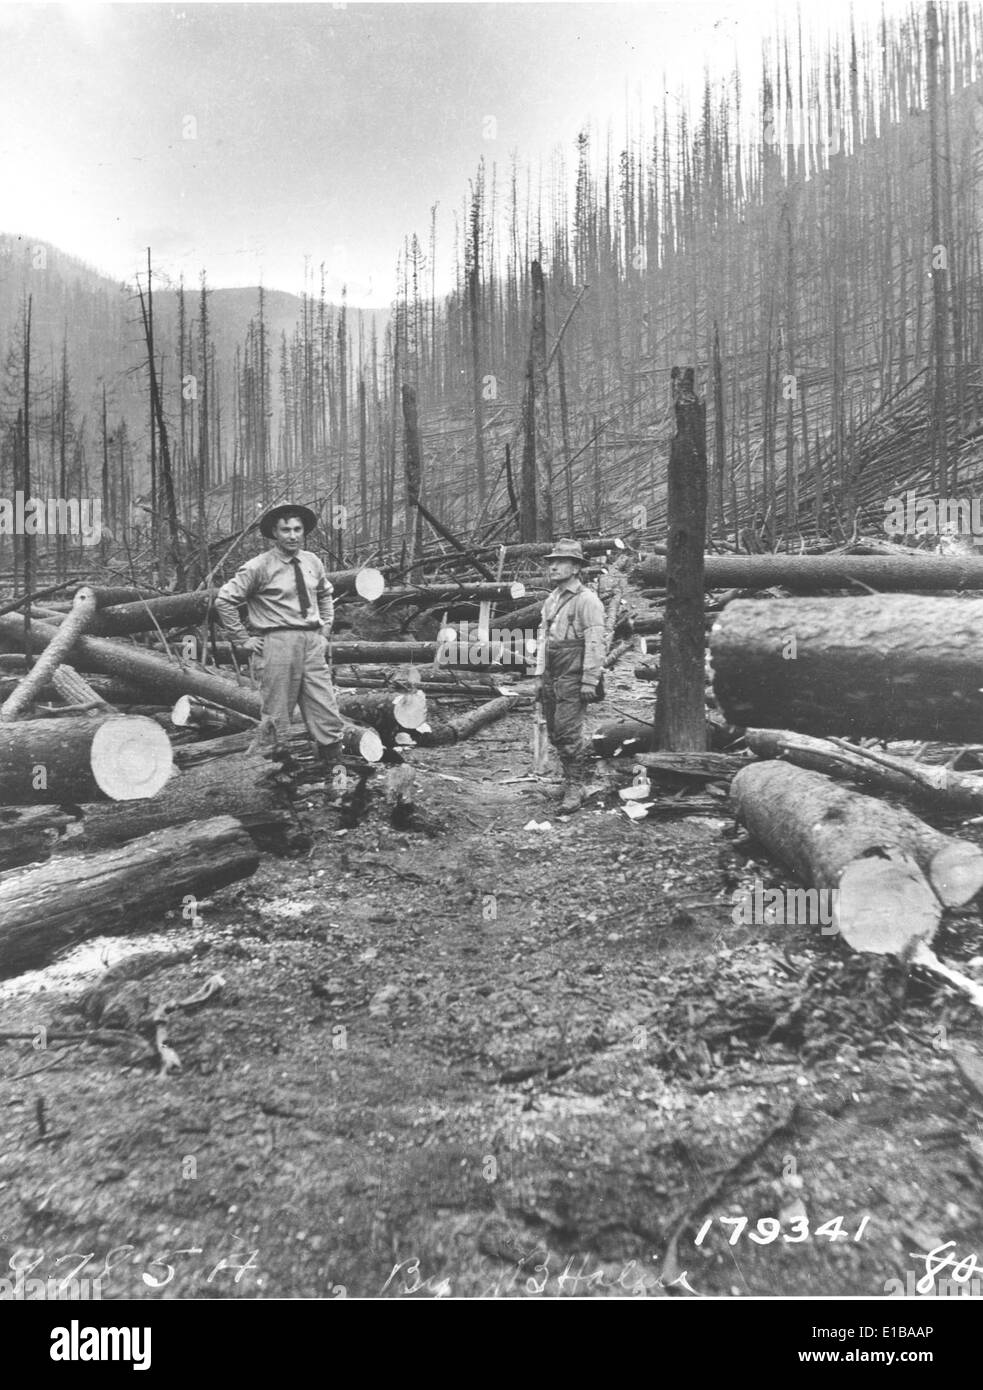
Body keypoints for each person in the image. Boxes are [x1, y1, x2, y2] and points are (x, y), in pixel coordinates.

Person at [215, 503, 345, 776]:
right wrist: (242, 639)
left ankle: (334, 771)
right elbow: (225, 600)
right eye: (285, 530)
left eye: (297, 529)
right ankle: (280, 774)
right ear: (274, 533)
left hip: (311, 642)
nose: (292, 535)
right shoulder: (258, 566)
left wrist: (325, 631)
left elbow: (324, 594)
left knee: (325, 705)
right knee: (277, 712)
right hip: (277, 642)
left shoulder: (312, 561)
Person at [534, 538, 606, 813]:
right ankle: (569, 780)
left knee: (568, 731)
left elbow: (596, 642)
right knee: (554, 731)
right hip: (554, 672)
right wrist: (539, 676)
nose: (553, 566)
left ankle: (577, 786)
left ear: (576, 567)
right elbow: (543, 639)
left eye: (560, 561)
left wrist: (590, 679)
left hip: (574, 673)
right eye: (551, 562)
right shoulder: (551, 600)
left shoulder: (587, 600)